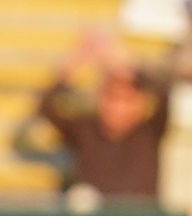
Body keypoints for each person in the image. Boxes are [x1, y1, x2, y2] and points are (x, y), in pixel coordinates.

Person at [37, 29, 170, 203]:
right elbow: (48, 107)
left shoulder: (149, 133)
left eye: (127, 100)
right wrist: (77, 62)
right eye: (113, 99)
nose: (119, 108)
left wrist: (125, 62)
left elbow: (163, 91)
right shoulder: (84, 131)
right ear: (101, 100)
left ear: (139, 104)